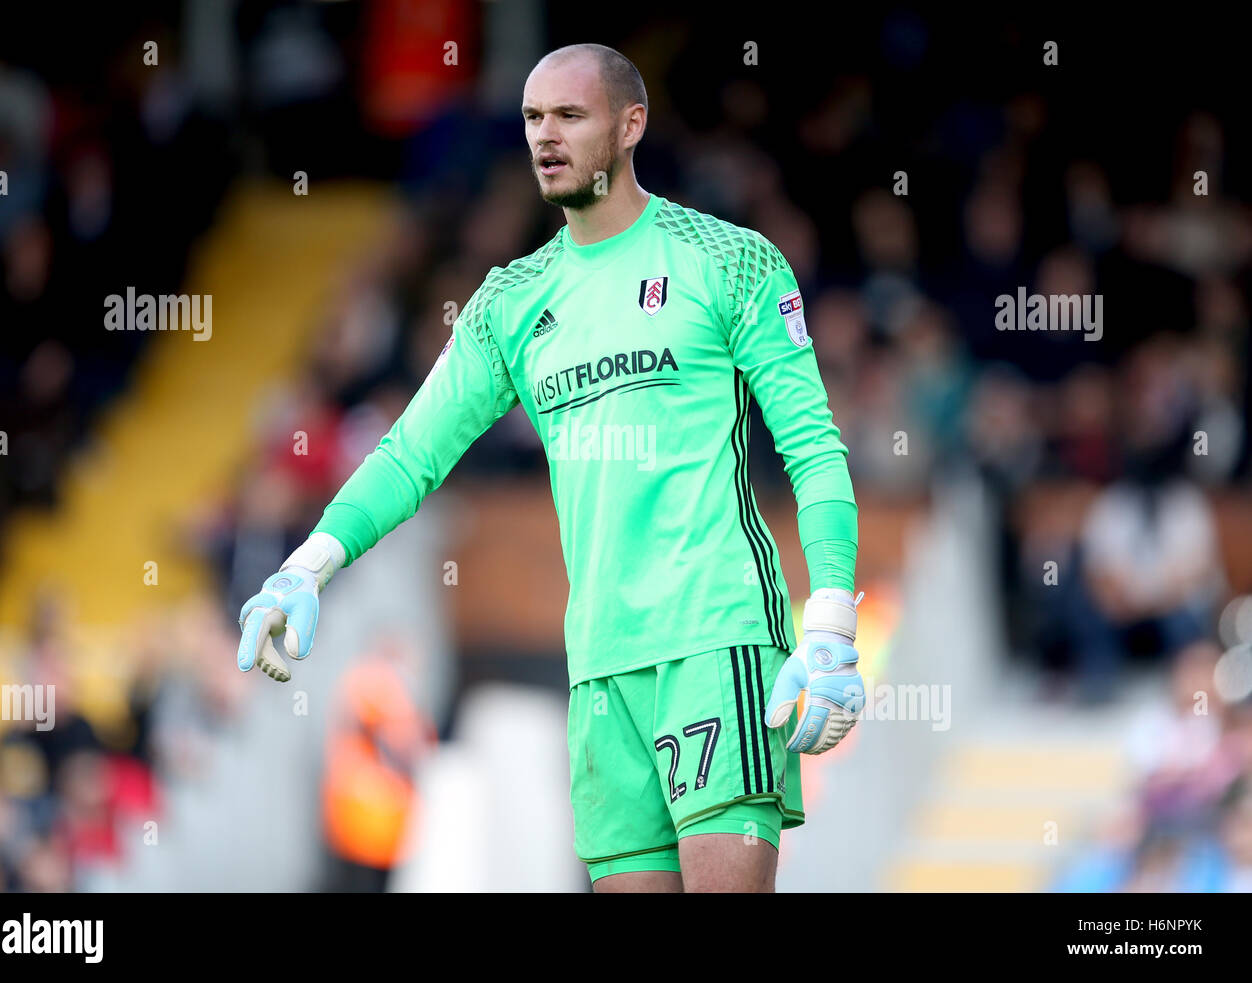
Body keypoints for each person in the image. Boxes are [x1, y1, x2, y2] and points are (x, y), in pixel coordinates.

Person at [235, 43, 863, 893]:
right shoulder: (510, 302)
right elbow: (411, 453)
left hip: (714, 636)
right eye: (533, 118)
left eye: (570, 115)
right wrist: (309, 562)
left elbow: (813, 444)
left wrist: (829, 618)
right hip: (598, 666)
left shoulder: (729, 260)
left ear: (630, 124)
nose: (546, 136)